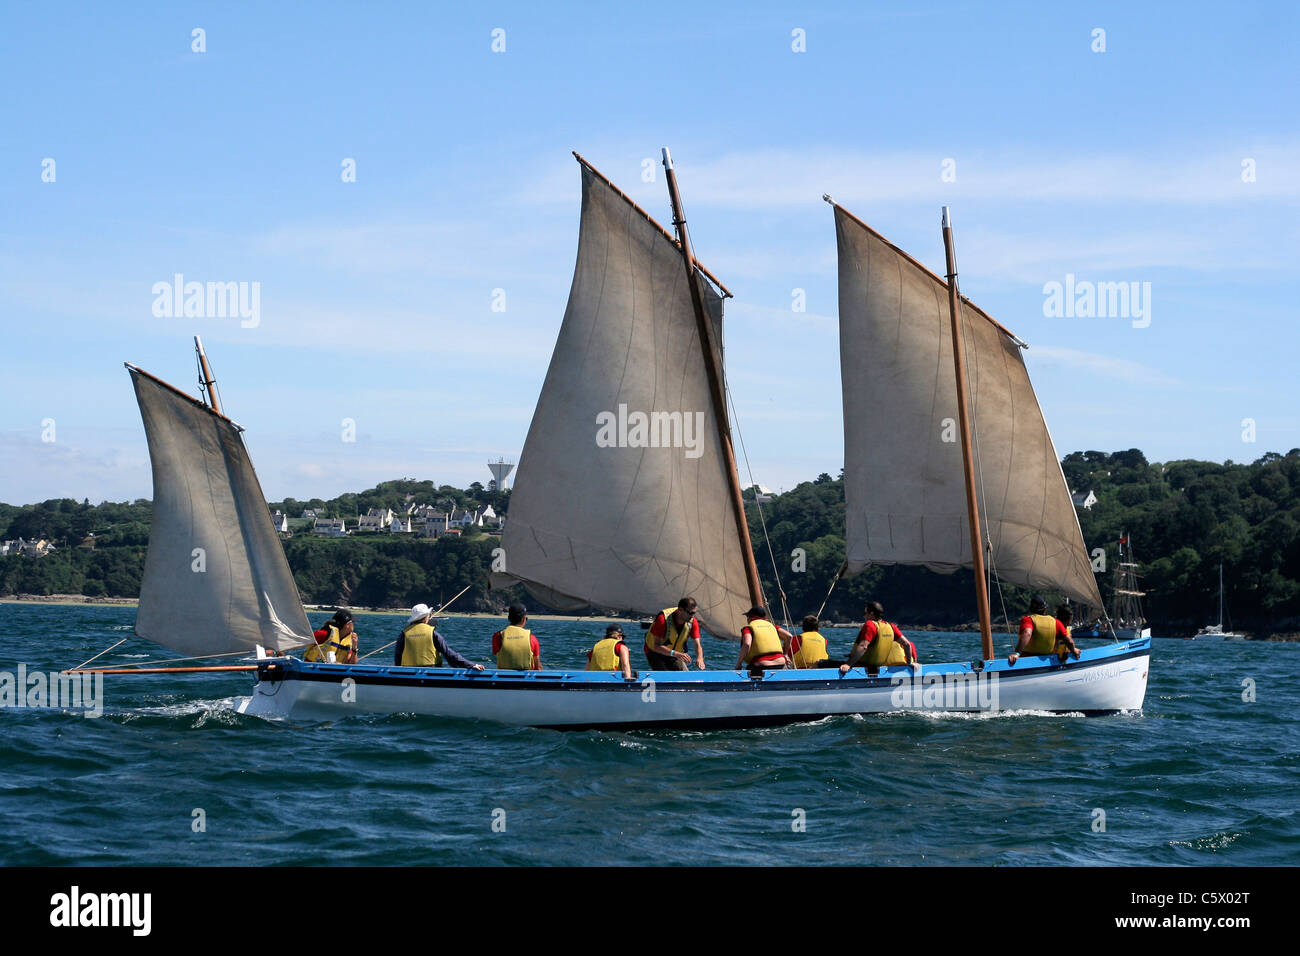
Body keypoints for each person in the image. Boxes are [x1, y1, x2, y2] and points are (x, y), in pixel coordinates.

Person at [394, 604, 484, 670]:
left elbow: (398, 658)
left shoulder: (404, 634)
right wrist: (471, 665)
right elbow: (449, 655)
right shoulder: (433, 633)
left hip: (408, 674)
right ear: (426, 617)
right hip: (431, 672)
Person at [840, 602, 913, 674]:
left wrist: (848, 664)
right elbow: (907, 644)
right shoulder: (891, 626)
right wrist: (909, 663)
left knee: (829, 663)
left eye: (865, 613)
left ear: (871, 614)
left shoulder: (870, 624)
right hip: (879, 666)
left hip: (862, 665)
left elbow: (863, 646)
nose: (864, 616)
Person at [1008, 596, 1080, 665]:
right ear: (1045, 609)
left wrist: (1016, 653)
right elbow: (1069, 641)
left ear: (1030, 609)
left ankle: (996, 675)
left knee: (996, 674)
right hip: (1048, 661)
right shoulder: (1056, 622)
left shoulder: (1028, 619)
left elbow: (1027, 633)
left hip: (1027, 660)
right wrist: (1073, 650)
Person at [645, 597, 705, 671]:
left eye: (694, 613)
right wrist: (676, 653)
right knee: (665, 677)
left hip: (675, 654)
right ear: (680, 610)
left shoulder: (692, 621)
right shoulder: (663, 619)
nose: (692, 616)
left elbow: (697, 644)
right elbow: (656, 646)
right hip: (654, 652)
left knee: (686, 678)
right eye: (690, 613)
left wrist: (700, 658)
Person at [736, 606, 794, 673]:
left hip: (761, 665)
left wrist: (739, 663)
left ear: (750, 617)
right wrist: (785, 654)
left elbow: (747, 644)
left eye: (747, 617)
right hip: (781, 664)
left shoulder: (748, 628)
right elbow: (789, 636)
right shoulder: (773, 627)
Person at [492, 603, 541, 670]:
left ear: (509, 618)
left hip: (503, 678)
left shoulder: (497, 636)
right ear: (524, 619)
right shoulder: (532, 638)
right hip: (526, 679)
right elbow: (538, 667)